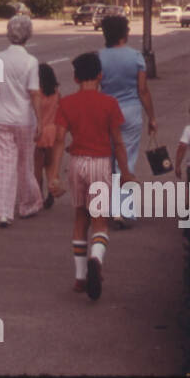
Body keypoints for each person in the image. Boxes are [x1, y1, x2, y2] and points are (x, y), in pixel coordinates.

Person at [48, 51, 134, 300]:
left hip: (76, 163)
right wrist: (126, 172)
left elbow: (59, 140)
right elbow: (118, 142)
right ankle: (96, 258)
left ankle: (80, 276)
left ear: (75, 78)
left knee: (79, 218)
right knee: (100, 221)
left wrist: (54, 176)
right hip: (100, 163)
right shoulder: (109, 104)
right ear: (100, 76)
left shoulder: (66, 104)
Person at [0, 14, 43, 227]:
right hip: (24, 119)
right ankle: (28, 204)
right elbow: (34, 92)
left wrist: (3, 85)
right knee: (24, 164)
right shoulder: (30, 61)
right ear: (28, 35)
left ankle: (3, 212)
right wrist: (41, 120)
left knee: (4, 164)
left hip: (1, 117)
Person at [98, 15, 157, 227]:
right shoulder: (136, 57)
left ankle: (112, 209)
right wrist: (152, 116)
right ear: (124, 33)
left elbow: (96, 88)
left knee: (110, 161)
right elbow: (143, 90)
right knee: (127, 160)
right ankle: (125, 211)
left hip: (107, 113)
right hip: (131, 112)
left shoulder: (100, 57)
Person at [35, 63, 65, 208]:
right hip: (53, 131)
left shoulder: (36, 94)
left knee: (37, 168)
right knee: (50, 165)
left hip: (39, 132)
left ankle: (38, 195)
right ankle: (51, 191)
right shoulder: (56, 93)